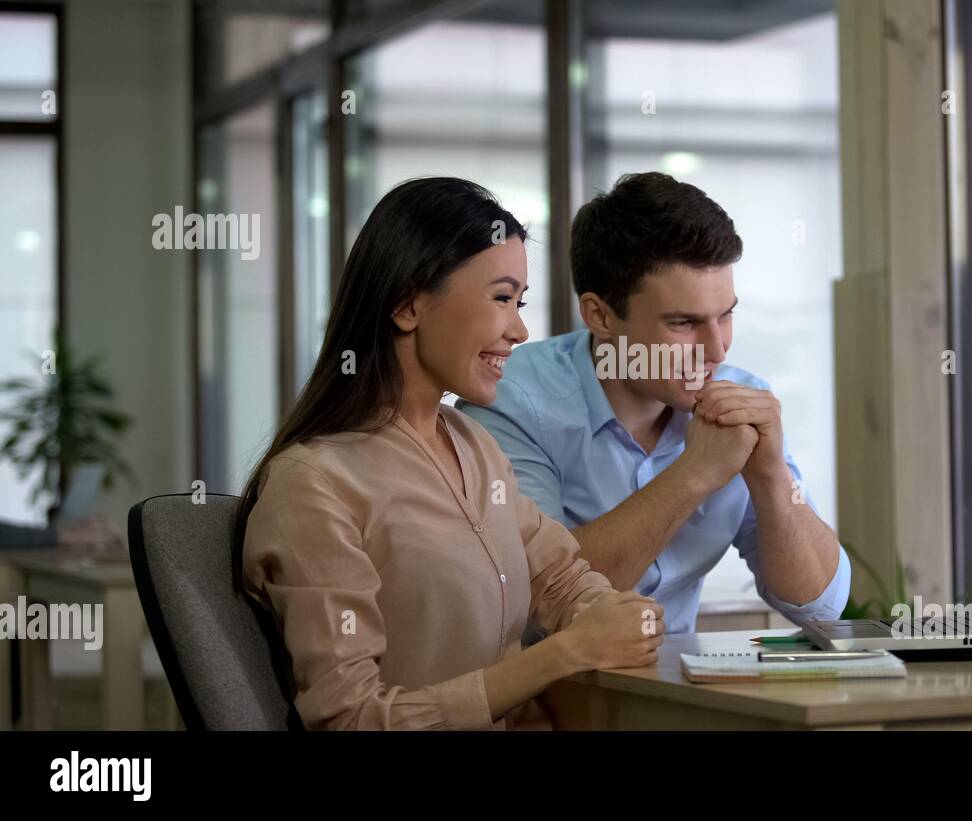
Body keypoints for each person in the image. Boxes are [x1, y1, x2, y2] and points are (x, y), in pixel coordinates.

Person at [237, 177, 664, 731]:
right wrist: (564, 654)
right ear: (408, 304)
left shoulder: (473, 445)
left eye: (521, 302)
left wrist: (610, 613)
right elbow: (352, 719)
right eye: (501, 298)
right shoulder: (313, 483)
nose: (519, 328)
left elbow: (559, 577)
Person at [459, 172, 849, 636]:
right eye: (683, 323)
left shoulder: (741, 404)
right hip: (546, 702)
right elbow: (535, 599)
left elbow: (820, 609)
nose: (718, 349)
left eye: (726, 315)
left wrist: (771, 477)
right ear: (599, 315)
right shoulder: (510, 400)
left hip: (676, 698)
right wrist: (694, 475)